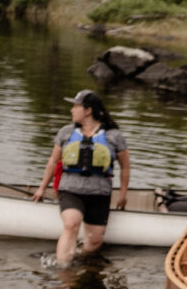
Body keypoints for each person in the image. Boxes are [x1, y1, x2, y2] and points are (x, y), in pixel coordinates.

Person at [32, 89, 131, 266]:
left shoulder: (114, 136)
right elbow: (53, 161)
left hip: (99, 194)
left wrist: (123, 194)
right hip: (70, 190)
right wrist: (41, 188)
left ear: (88, 110)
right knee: (71, 224)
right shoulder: (66, 132)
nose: (72, 110)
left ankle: (81, 262)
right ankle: (63, 270)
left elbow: (125, 167)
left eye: (75, 106)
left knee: (95, 241)